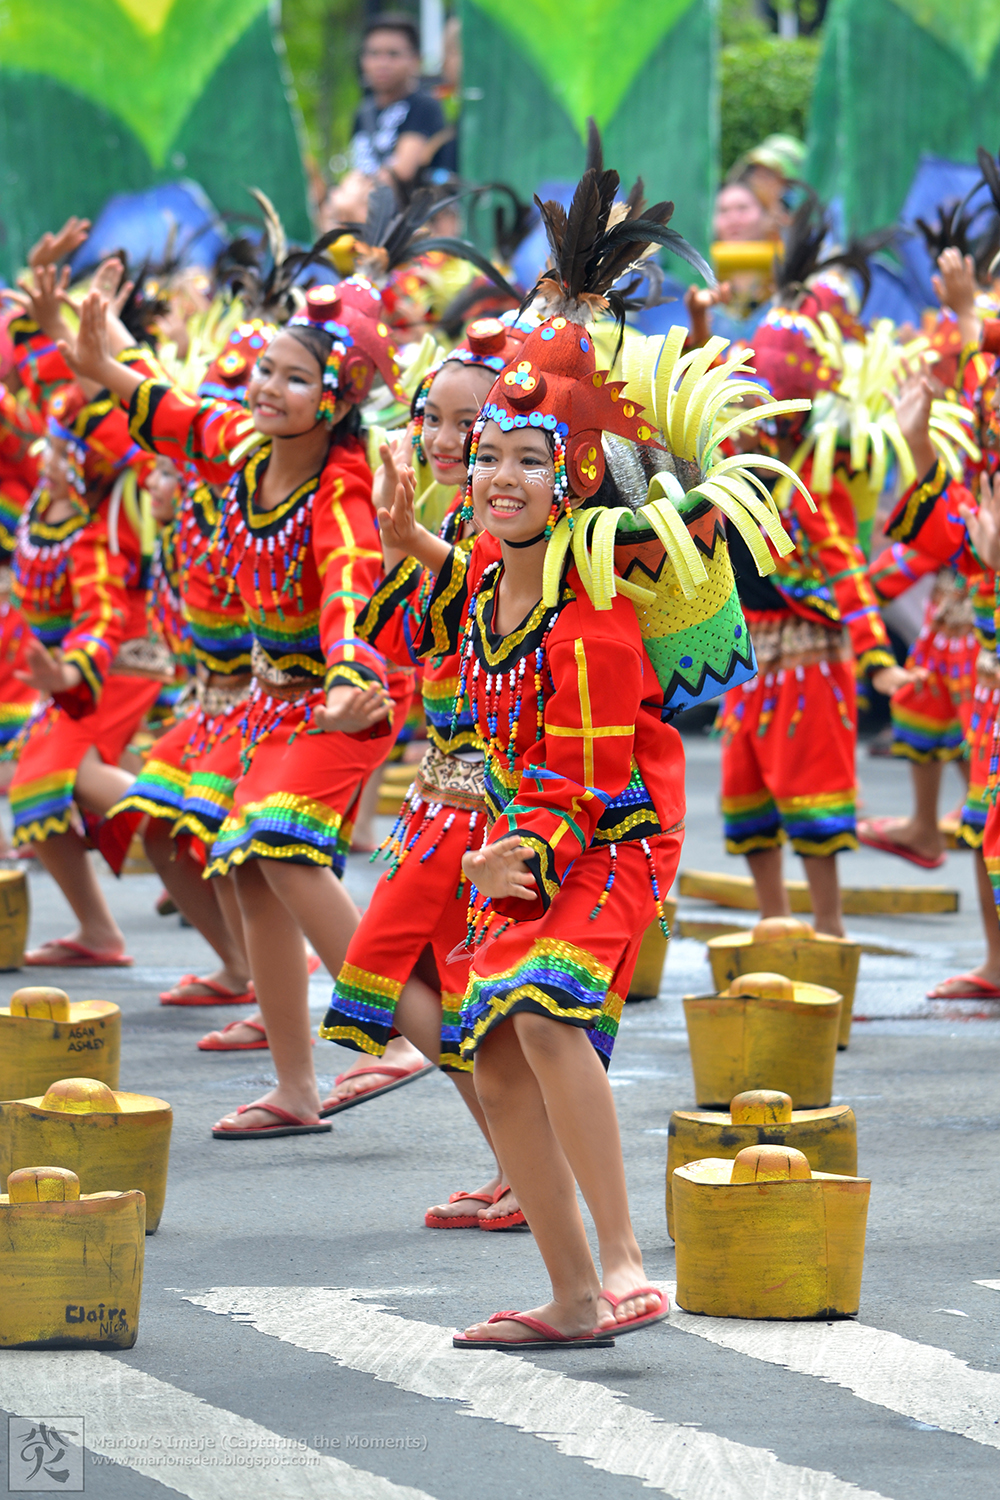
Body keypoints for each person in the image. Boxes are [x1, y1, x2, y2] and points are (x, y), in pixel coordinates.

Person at [65, 275, 412, 1137]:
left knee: (281, 847)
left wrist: (342, 672)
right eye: (265, 368)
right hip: (276, 700)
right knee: (249, 865)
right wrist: (100, 362)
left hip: (349, 698)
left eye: (295, 377)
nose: (267, 386)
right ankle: (296, 1088)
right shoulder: (243, 451)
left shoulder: (340, 491)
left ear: (335, 399)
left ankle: (398, 1038)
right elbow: (175, 411)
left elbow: (348, 590)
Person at [320, 319, 529, 1231]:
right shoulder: (438, 518)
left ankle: (534, 1172)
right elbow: (383, 629)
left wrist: (413, 542)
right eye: (432, 419)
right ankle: (518, 1163)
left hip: (498, 804)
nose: (448, 442)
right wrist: (354, 682)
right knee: (435, 988)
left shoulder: (516, 526)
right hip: (438, 796)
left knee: (458, 987)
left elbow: (499, 594)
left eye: (470, 426)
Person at [352, 14, 452, 186]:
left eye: (393, 54)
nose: (382, 63)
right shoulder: (362, 113)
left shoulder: (424, 106)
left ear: (415, 60)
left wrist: (352, 192)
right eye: (374, 54)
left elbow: (402, 172)